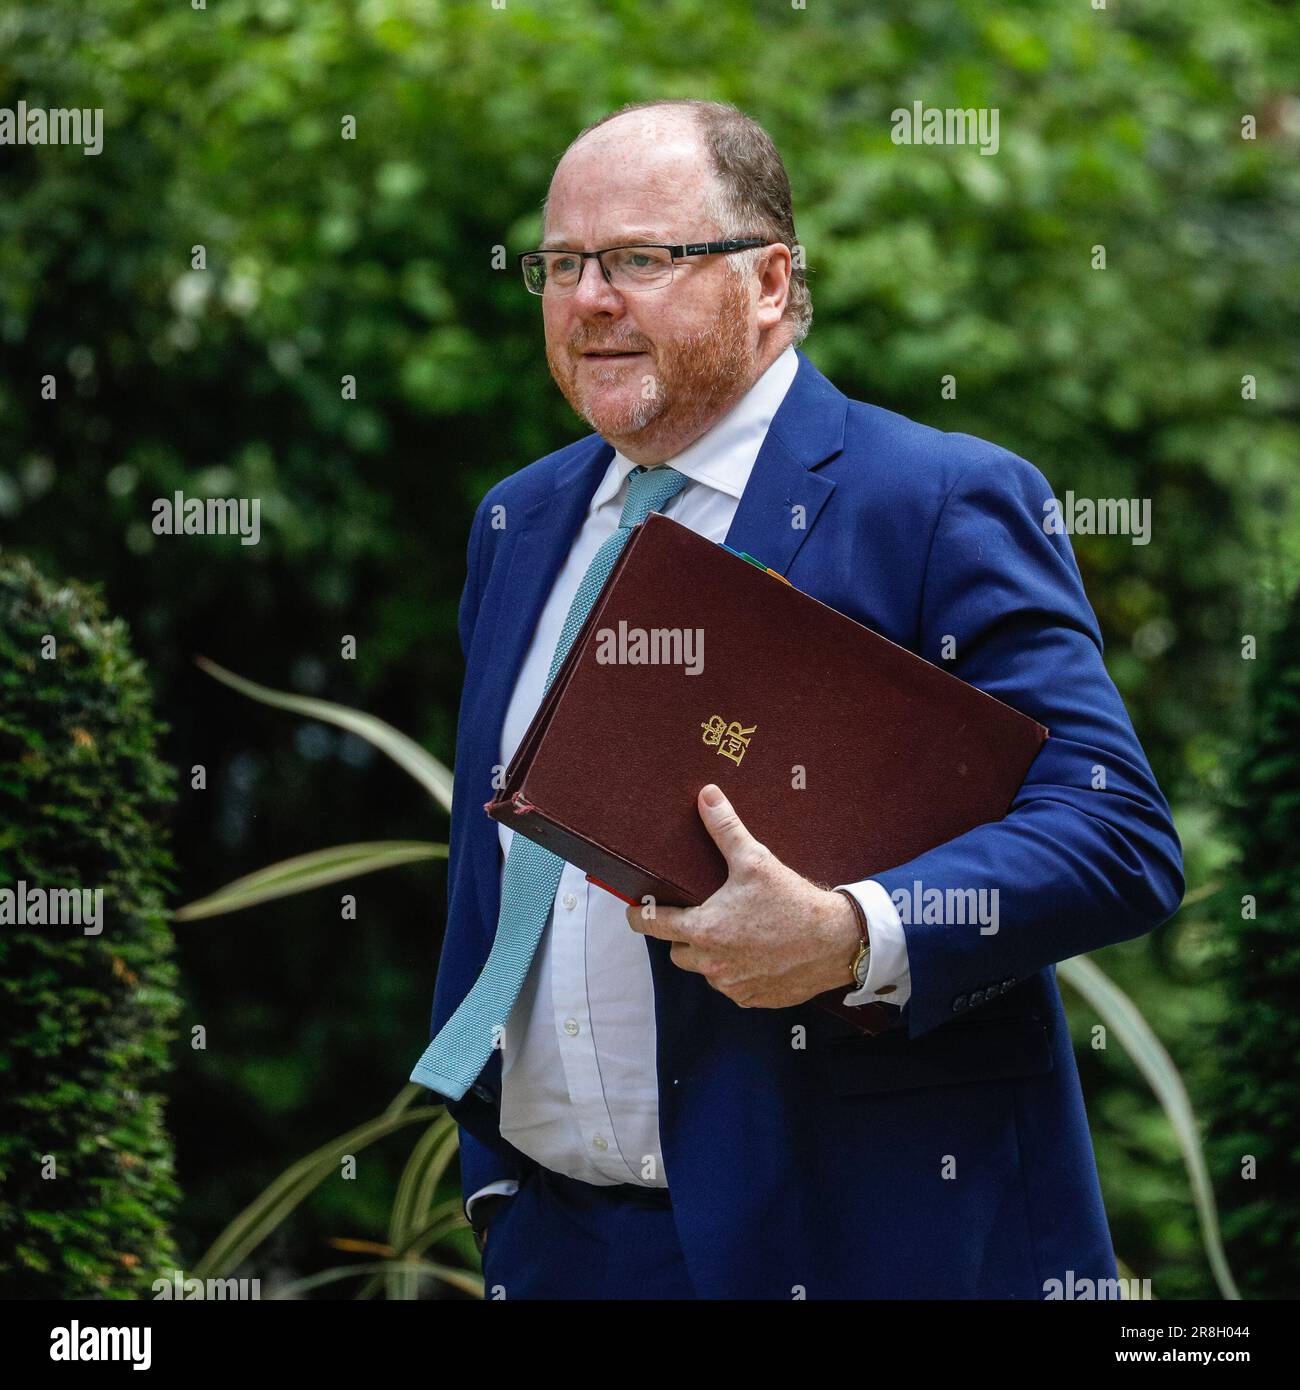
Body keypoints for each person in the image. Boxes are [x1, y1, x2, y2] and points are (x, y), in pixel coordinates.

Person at [408, 98, 1184, 1299]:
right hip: (559, 1246)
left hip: (858, 1245)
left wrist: (851, 932)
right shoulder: (518, 520)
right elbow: (498, 863)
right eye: (560, 264)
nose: (589, 299)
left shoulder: (933, 500)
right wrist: (498, 1192)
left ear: (768, 280)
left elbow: (1115, 833)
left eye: (639, 258)